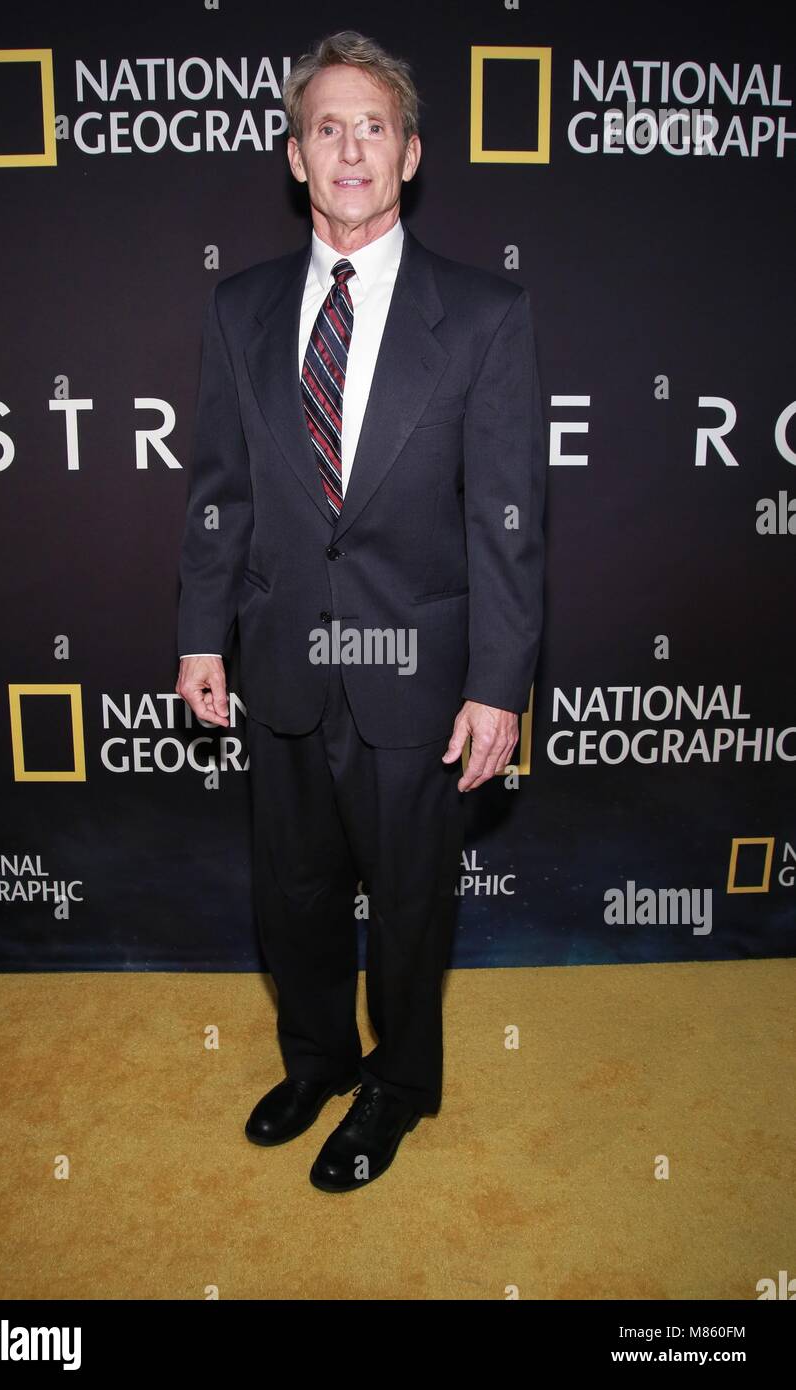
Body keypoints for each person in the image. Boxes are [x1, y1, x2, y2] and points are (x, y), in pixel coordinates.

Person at [176, 29, 546, 1193]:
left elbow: (506, 516)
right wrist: (199, 631)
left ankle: (397, 1086)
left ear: (410, 152)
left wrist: (499, 682)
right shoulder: (236, 310)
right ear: (294, 157)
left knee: (406, 909)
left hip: (418, 673)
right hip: (281, 656)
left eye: (371, 126)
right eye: (326, 126)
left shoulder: (484, 314)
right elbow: (218, 489)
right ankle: (317, 1059)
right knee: (287, 892)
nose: (349, 146)